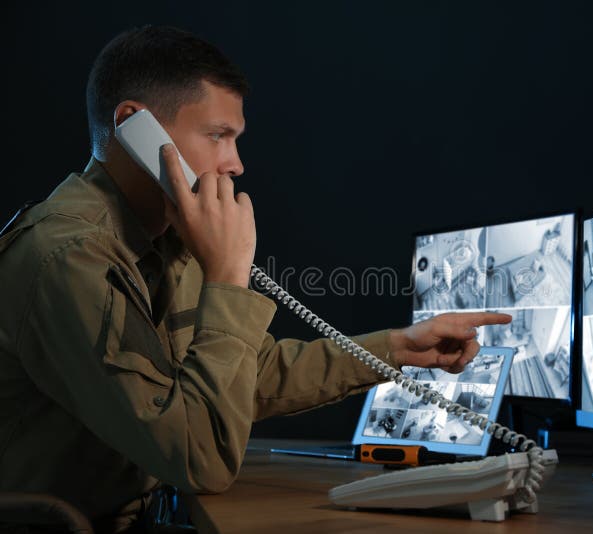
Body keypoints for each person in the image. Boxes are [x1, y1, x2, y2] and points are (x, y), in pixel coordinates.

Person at [0, 26, 511, 531]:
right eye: (217, 136)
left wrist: (398, 349)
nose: (236, 163)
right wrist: (227, 275)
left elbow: (246, 373)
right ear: (136, 128)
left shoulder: (166, 238)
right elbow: (200, 459)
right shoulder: (67, 257)